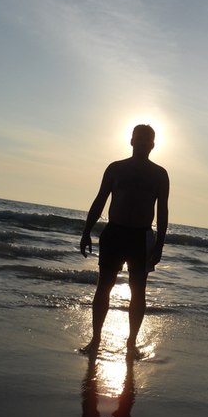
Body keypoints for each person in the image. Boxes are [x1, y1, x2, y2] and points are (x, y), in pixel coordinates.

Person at [80, 124, 170, 357]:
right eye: (139, 138)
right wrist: (86, 231)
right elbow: (100, 200)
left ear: (153, 144)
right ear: (131, 141)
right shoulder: (116, 168)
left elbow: (162, 211)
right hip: (114, 233)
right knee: (104, 286)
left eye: (147, 139)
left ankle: (131, 344)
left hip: (141, 236)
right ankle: (95, 340)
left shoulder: (160, 174)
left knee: (138, 291)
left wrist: (159, 244)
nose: (142, 142)